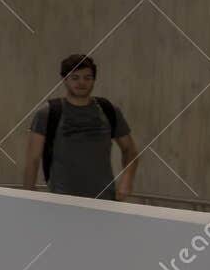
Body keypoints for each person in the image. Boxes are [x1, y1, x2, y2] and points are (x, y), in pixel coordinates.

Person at [22, 54, 139, 200]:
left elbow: (130, 151)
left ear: (93, 80)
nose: (81, 82)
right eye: (75, 77)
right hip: (62, 202)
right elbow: (32, 159)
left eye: (87, 77)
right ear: (65, 80)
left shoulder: (108, 110)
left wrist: (126, 181)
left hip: (104, 200)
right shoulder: (48, 113)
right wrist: (27, 199)